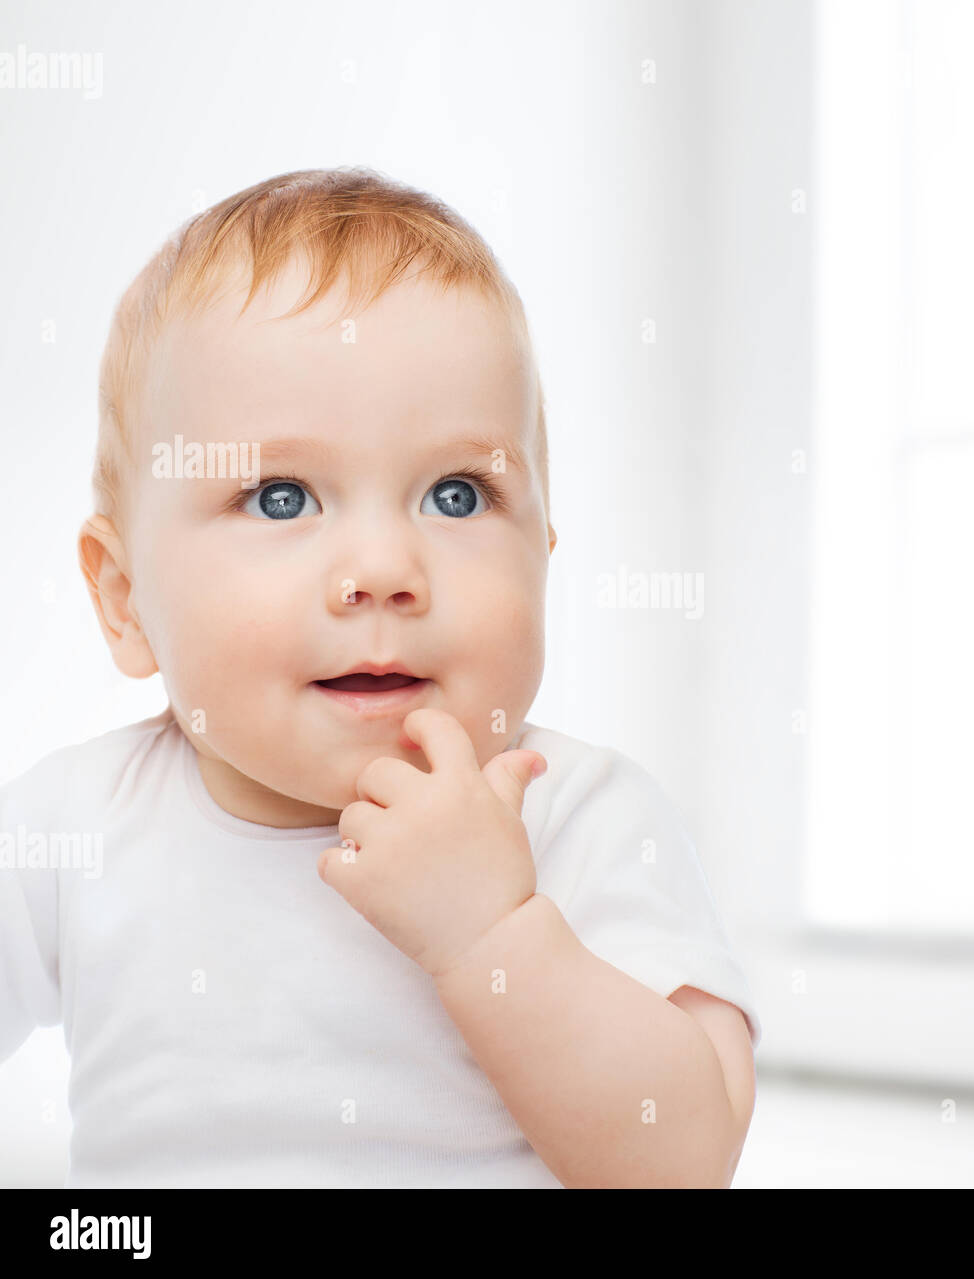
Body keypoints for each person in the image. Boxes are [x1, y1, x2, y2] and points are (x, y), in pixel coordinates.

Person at [0, 167, 760, 1188]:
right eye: (279, 499)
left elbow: (681, 1158)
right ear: (126, 599)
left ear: (544, 549)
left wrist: (494, 934)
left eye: (457, 494)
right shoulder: (74, 825)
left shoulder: (573, 816)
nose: (384, 574)